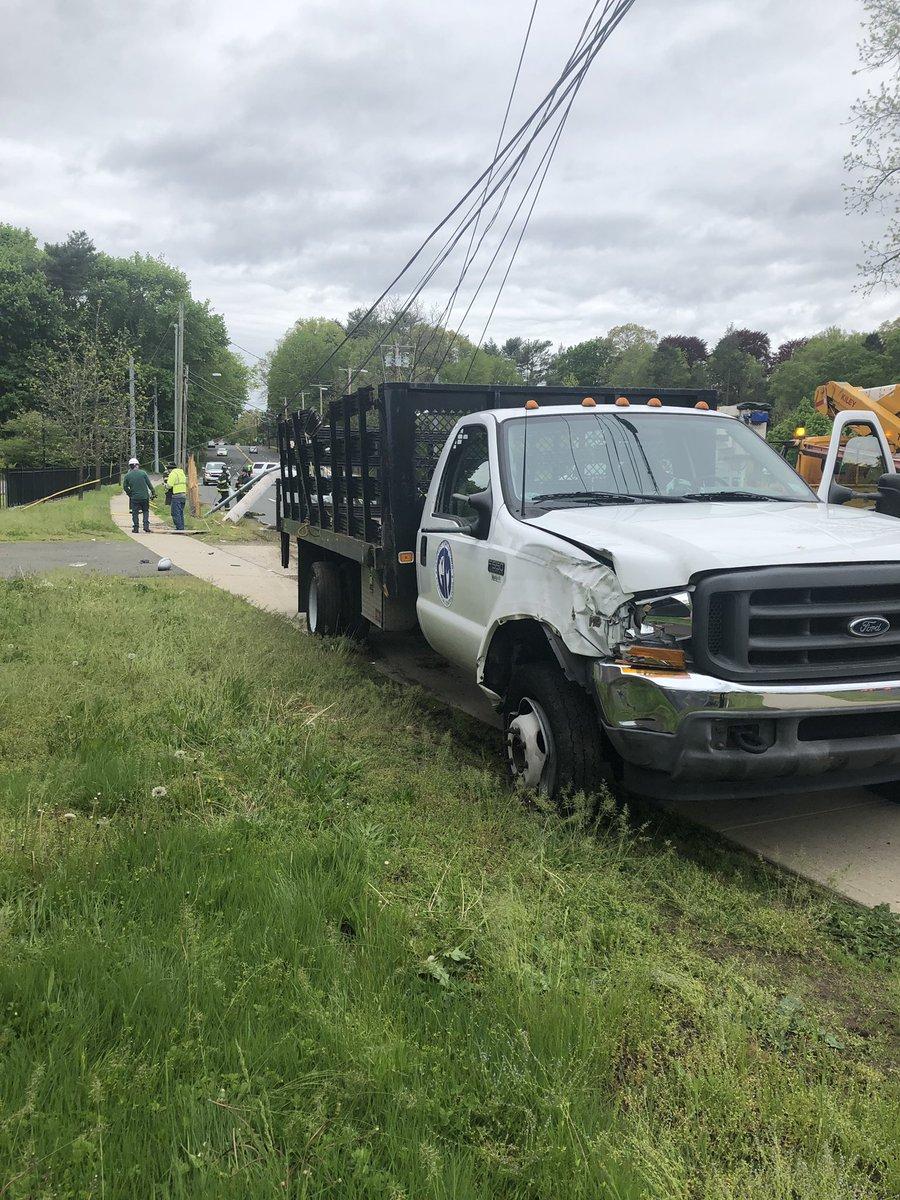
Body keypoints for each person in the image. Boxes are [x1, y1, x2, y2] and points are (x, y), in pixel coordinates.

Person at [122, 456, 155, 533]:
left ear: (130, 466)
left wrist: (130, 494)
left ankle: (136, 528)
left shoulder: (127, 475)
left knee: (135, 513)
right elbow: (149, 484)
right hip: (145, 497)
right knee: (145, 511)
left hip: (135, 497)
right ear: (137, 465)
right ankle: (146, 527)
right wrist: (153, 492)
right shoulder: (143, 473)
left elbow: (125, 487)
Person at [166, 462, 188, 530]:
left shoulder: (173, 474)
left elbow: (169, 485)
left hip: (176, 495)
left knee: (175, 513)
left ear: (170, 469)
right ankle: (181, 527)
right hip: (183, 495)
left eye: (168, 470)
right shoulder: (181, 472)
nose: (168, 471)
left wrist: (165, 486)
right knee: (180, 512)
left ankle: (179, 528)